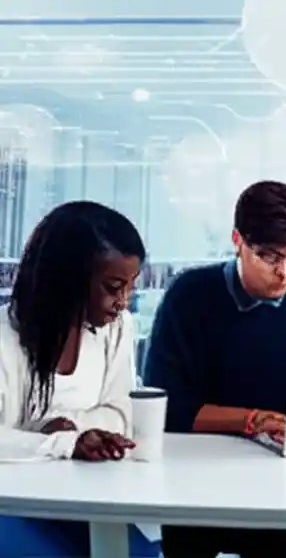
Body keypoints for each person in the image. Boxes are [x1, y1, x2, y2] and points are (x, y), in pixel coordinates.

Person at [143, 181, 286, 558]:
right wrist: (253, 420)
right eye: (269, 257)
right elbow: (166, 406)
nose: (284, 273)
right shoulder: (191, 294)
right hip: (202, 474)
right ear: (237, 240)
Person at [0, 201, 159, 557]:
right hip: (11, 505)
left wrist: (70, 430)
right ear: (68, 279)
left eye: (130, 287)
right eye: (113, 286)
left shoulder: (117, 329)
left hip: (89, 497)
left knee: (141, 555)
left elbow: (121, 413)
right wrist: (63, 442)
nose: (123, 302)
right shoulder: (4, 339)